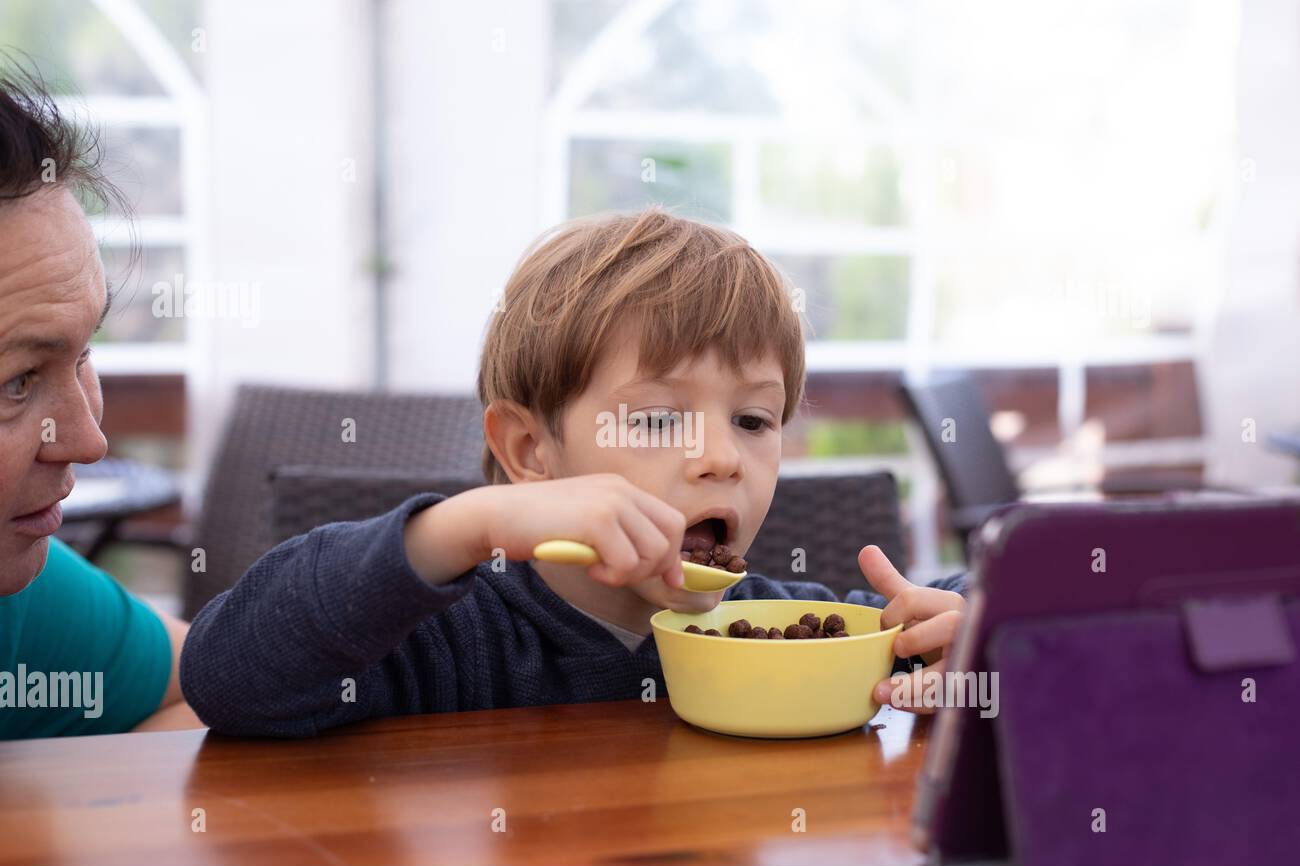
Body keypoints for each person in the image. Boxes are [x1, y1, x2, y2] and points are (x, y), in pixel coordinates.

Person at [180, 208, 967, 738]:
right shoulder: (451, 639)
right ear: (529, 453)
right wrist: (463, 524)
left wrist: (973, 646)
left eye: (754, 421)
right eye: (660, 417)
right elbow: (225, 675)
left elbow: (1001, 636)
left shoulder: (792, 631)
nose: (723, 457)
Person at [0, 62, 197, 738]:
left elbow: (200, 694)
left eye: (84, 354)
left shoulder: (21, 600)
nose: (88, 440)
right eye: (17, 380)